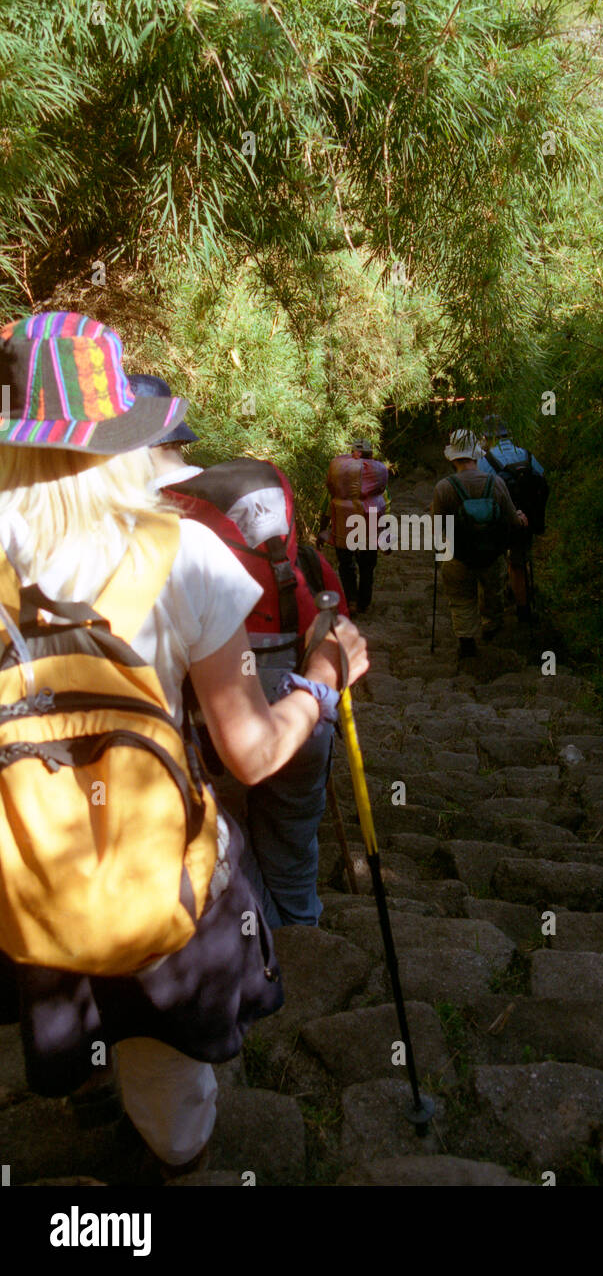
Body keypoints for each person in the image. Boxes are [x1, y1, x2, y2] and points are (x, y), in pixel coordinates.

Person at [0, 314, 368, 1178]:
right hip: (154, 883)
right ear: (128, 434)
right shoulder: (183, 556)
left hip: (25, 873)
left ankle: (87, 1090)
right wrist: (320, 681)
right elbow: (249, 754)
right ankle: (171, 1156)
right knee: (176, 1124)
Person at [126, 374, 349, 931]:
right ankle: (306, 933)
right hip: (299, 704)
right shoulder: (251, 502)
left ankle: (269, 962)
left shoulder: (137, 522)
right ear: (178, 438)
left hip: (211, 722)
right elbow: (326, 605)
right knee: (296, 850)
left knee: (230, 854)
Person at [430, 429, 526, 660]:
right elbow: (512, 521)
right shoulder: (496, 483)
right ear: (477, 455)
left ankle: (466, 641)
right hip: (492, 555)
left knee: (461, 598)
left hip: (458, 555)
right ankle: (491, 627)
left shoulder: (444, 487)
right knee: (492, 593)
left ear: (452, 457)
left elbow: (437, 527)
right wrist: (522, 520)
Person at [478, 415, 548, 624]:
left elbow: (480, 490)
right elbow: (542, 481)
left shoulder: (485, 461)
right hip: (525, 521)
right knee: (519, 562)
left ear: (487, 437)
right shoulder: (526, 455)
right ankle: (523, 609)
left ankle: (493, 612)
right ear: (508, 434)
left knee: (492, 563)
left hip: (498, 523)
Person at [318, 439, 389, 614]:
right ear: (371, 455)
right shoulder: (379, 479)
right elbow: (384, 509)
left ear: (352, 454)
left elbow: (327, 506)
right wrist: (386, 536)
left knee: (346, 564)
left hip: (343, 527)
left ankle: (351, 601)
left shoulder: (339, 477)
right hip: (369, 530)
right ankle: (364, 602)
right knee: (367, 566)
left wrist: (322, 529)